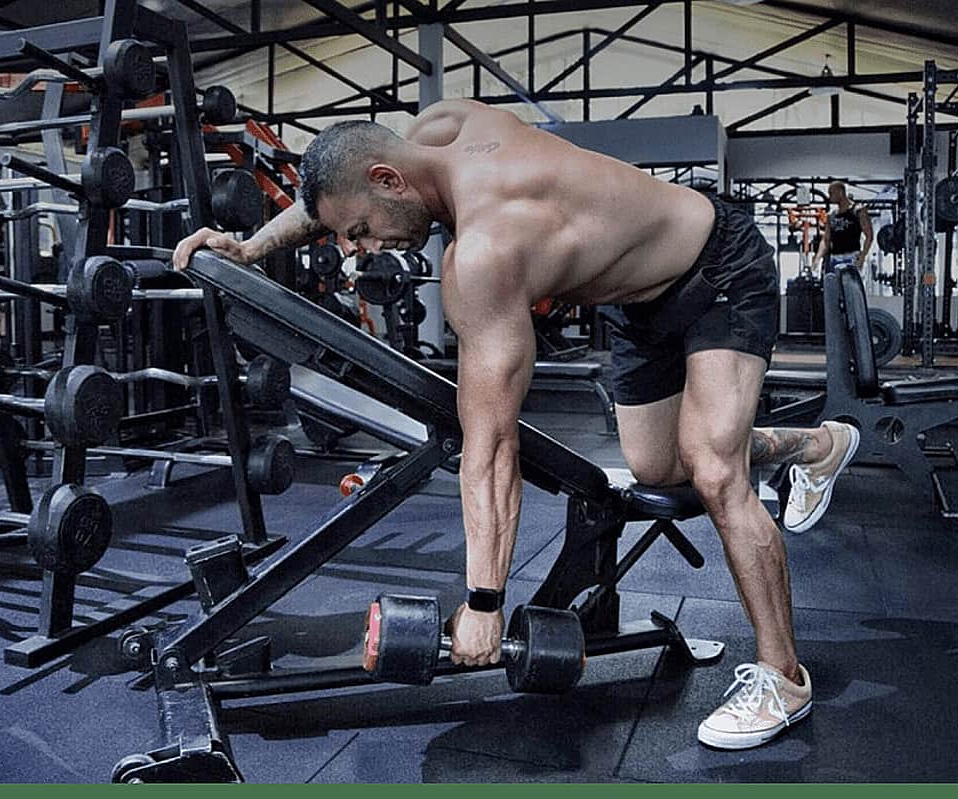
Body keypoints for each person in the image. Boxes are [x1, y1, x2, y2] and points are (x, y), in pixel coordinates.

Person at [173, 100, 860, 750]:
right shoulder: (436, 128)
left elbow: (493, 443)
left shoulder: (483, 253)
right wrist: (251, 246)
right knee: (658, 469)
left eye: (357, 231)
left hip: (716, 267)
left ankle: (783, 676)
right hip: (633, 303)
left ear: (389, 179)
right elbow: (328, 185)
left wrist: (484, 599)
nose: (356, 251)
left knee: (714, 471)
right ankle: (813, 445)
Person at [813, 181, 873, 272]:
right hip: (835, 258)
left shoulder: (858, 210)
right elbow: (826, 240)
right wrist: (817, 258)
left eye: (831, 193)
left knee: (852, 285)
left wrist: (862, 256)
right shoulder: (831, 215)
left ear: (840, 192)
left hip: (852, 257)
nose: (829, 197)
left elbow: (869, 235)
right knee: (833, 284)